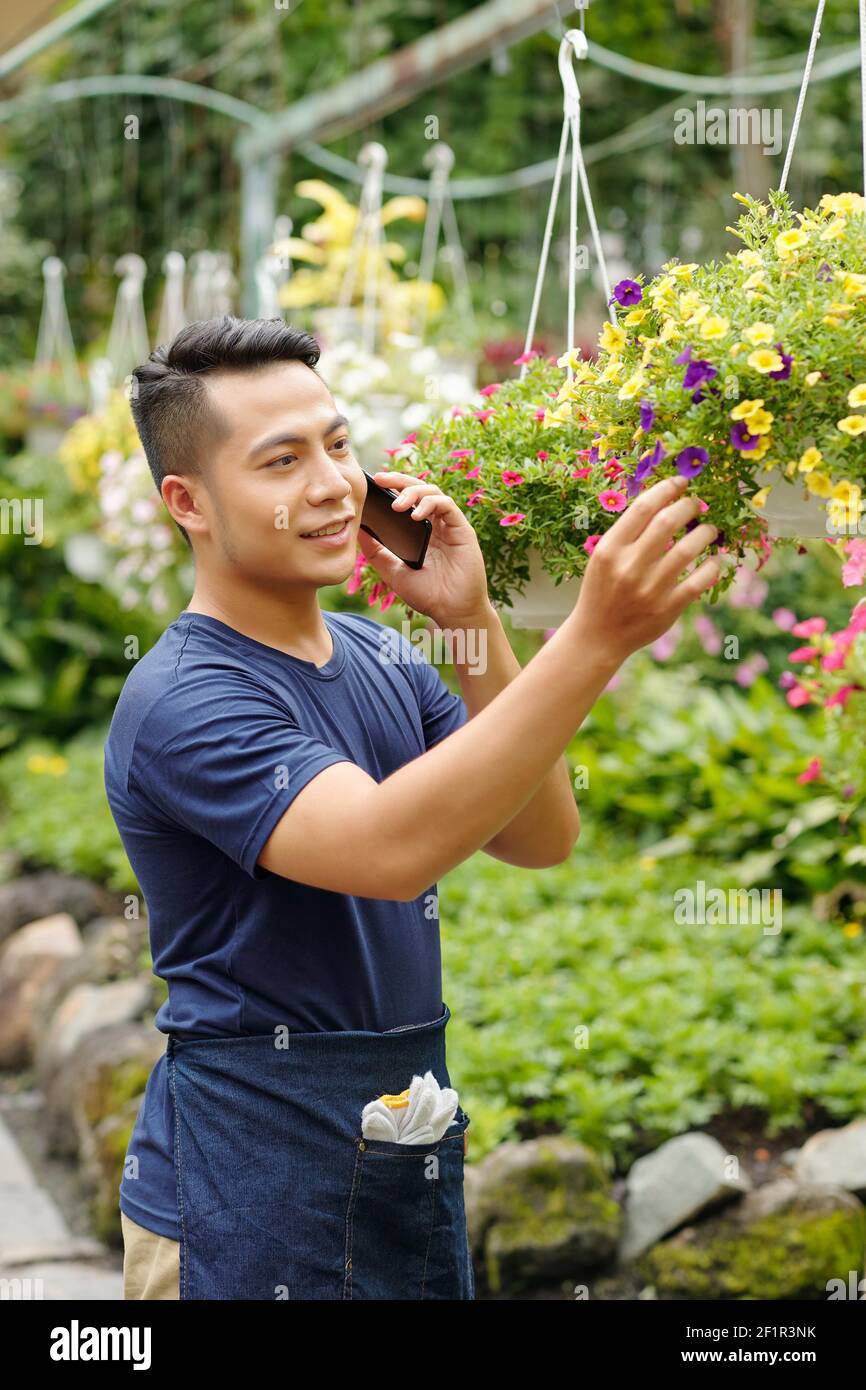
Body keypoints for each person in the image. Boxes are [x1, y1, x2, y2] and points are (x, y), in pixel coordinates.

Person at [105, 314, 721, 1301]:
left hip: (393, 1153)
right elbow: (388, 847)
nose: (331, 485)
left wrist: (473, 624)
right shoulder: (185, 698)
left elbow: (537, 832)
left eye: (338, 445)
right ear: (189, 501)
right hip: (242, 1185)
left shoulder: (382, 655)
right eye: (279, 461)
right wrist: (592, 638)